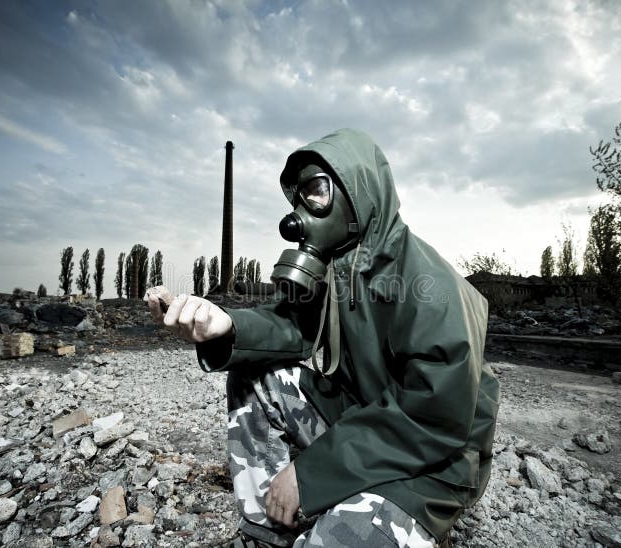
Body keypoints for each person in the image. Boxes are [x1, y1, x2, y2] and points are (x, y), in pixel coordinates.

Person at [146, 128, 500, 547]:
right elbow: (292, 325)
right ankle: (267, 530)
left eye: (316, 191)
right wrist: (224, 325)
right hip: (366, 419)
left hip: (432, 462)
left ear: (358, 191)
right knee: (253, 374)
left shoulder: (433, 290)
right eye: (298, 198)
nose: (300, 214)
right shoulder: (340, 267)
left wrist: (309, 473)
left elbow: (433, 419)